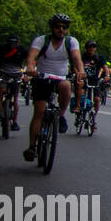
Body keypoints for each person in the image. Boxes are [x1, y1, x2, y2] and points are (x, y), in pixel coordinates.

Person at [23, 14, 85, 160]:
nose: (61, 30)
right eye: (58, 27)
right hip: (42, 77)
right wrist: (30, 67)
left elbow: (77, 58)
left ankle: (61, 115)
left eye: (64, 27)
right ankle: (32, 147)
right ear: (52, 27)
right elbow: (31, 57)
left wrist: (81, 71)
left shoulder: (71, 42)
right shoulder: (41, 40)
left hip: (60, 77)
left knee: (66, 86)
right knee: (39, 111)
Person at [0, 34, 27, 132]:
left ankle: (13, 121)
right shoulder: (2, 48)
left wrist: (28, 72)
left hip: (15, 75)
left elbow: (29, 60)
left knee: (12, 98)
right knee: (1, 96)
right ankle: (11, 122)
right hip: (3, 73)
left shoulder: (22, 50)